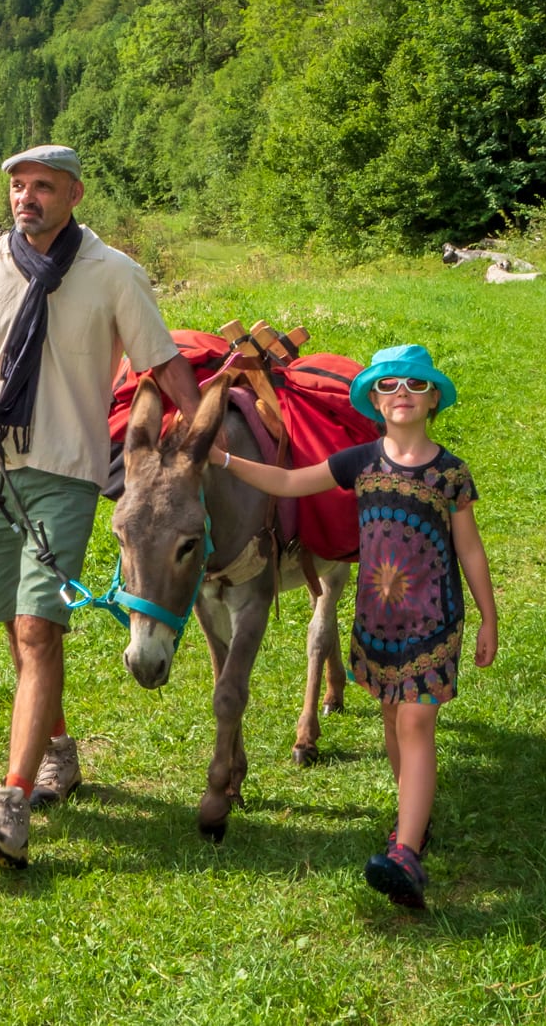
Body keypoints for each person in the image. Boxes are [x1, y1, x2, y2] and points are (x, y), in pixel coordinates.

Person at [0, 143, 202, 869]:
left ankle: (11, 803)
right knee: (12, 623)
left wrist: (206, 451)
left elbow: (160, 360)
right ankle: (58, 750)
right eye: (18, 187)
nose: (26, 198)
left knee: (36, 628)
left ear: (74, 194)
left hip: (65, 467)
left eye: (42, 187)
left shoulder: (112, 271)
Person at [219, 342, 497, 908]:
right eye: (389, 386)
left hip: (434, 621)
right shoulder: (359, 462)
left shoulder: (451, 474)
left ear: (433, 400)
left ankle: (407, 855)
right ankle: (409, 821)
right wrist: (222, 461)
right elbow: (289, 484)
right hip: (377, 624)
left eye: (415, 386)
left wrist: (489, 618)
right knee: (394, 723)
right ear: (373, 398)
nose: (402, 395)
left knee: (417, 724)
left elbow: (469, 550)